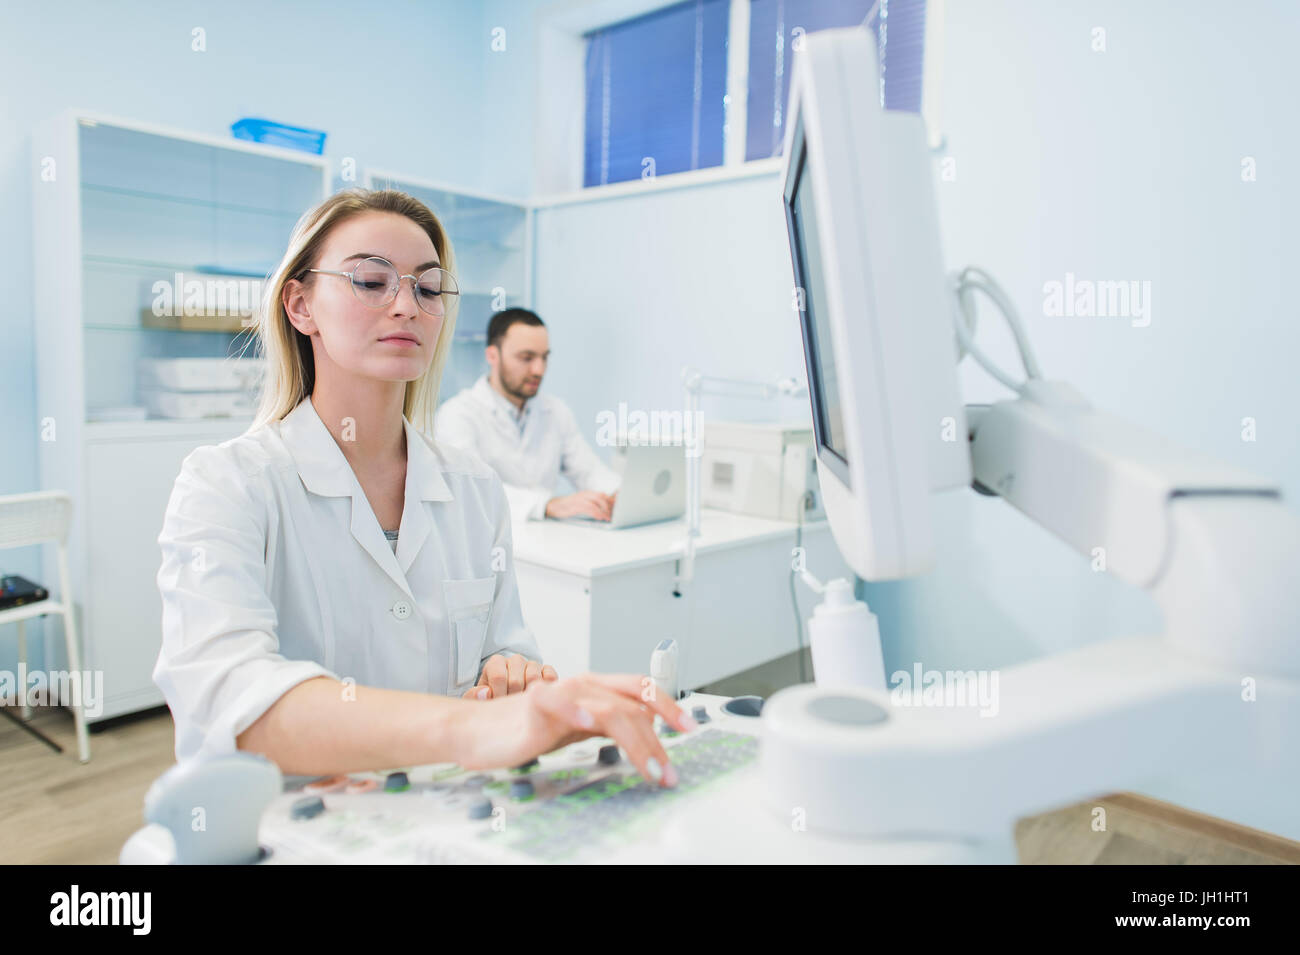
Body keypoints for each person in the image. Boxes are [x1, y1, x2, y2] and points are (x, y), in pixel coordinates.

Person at [153, 189, 692, 782]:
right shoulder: (227, 483)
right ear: (300, 305)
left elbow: (505, 650)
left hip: (444, 812)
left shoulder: (473, 487)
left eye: (428, 287)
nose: (406, 305)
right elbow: (231, 702)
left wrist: (510, 673)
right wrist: (473, 729)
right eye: (370, 281)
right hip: (298, 829)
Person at [435, 309, 620, 522]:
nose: (539, 370)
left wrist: (619, 493)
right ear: (492, 356)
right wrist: (548, 505)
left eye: (544, 357)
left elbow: (589, 470)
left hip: (542, 538)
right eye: (527, 358)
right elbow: (471, 491)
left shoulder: (556, 411)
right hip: (487, 541)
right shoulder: (458, 415)